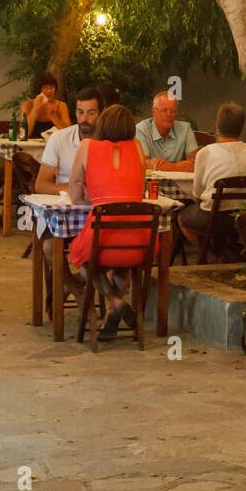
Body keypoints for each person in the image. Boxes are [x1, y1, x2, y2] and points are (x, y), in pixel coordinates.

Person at [67, 105, 149, 340]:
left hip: (101, 239)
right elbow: (138, 193)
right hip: (138, 243)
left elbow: (75, 196)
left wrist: (92, 195)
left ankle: (117, 301)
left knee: (81, 255)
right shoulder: (138, 147)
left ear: (101, 124)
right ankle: (112, 315)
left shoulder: (86, 146)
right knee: (121, 261)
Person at [174, 102, 246, 251]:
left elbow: (198, 192)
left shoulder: (206, 152)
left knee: (182, 218)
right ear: (241, 126)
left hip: (213, 216)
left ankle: (210, 257)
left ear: (217, 125)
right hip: (244, 215)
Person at [35, 87, 103, 193]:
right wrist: (75, 190)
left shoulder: (110, 139)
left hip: (100, 202)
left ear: (101, 114)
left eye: (91, 113)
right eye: (80, 112)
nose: (84, 119)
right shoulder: (59, 138)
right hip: (66, 203)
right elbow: (41, 185)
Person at [135, 92, 198, 173]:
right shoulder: (141, 130)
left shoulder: (185, 129)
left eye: (173, 111)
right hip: (152, 184)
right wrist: (176, 167)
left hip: (182, 184)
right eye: (164, 110)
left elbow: (195, 163)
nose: (169, 115)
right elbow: (144, 163)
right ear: (153, 112)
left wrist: (161, 166)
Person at [22, 72, 70, 138]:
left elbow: (68, 134)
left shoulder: (61, 106)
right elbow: (24, 135)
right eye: (45, 87)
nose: (49, 91)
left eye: (52, 87)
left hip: (55, 146)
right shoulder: (27, 105)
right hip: (31, 147)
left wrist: (53, 116)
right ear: (38, 89)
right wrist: (35, 109)